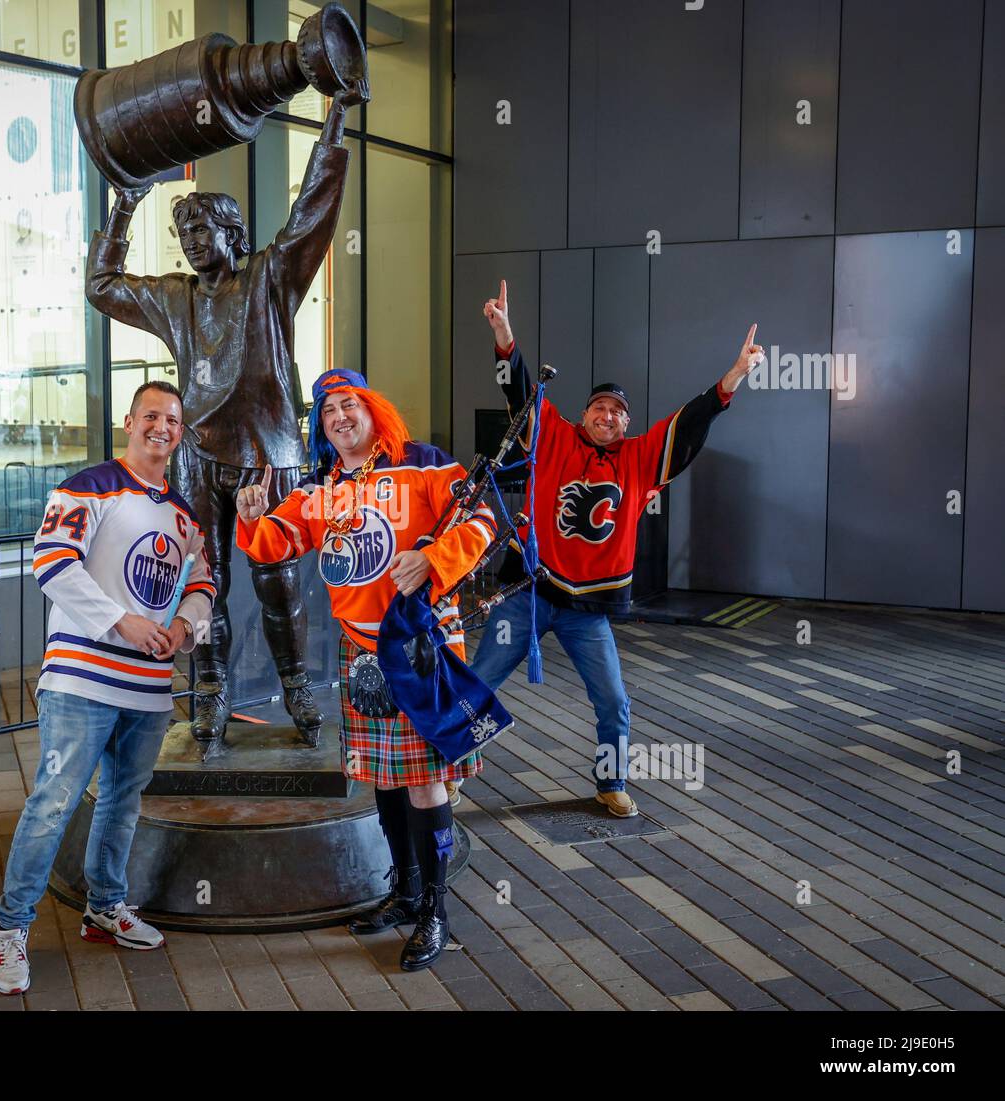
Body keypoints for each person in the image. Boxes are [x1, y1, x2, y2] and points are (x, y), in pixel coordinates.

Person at [83, 86, 367, 754]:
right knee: (202, 585)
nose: (188, 242)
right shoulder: (174, 298)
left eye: (199, 230)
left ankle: (298, 688)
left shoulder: (271, 277)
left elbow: (313, 209)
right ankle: (209, 696)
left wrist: (336, 116)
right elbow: (101, 287)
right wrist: (124, 207)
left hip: (269, 458)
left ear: (233, 234)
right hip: (201, 461)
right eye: (182, 234)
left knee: (278, 585)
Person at [235, 369, 496, 972]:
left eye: (348, 405)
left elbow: (482, 521)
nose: (339, 418)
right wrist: (251, 516)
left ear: (374, 409)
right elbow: (276, 543)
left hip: (422, 643)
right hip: (362, 652)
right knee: (382, 777)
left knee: (425, 783)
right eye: (328, 412)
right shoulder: (322, 488)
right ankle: (403, 892)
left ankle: (436, 908)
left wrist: (433, 559)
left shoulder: (424, 463)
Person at [471, 280, 764, 817]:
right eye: (600, 408)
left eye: (617, 412)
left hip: (589, 606)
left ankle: (611, 780)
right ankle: (448, 772)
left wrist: (733, 378)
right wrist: (504, 333)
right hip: (529, 590)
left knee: (613, 701)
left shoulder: (639, 458)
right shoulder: (553, 436)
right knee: (479, 682)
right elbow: (518, 391)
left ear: (627, 422)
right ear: (585, 413)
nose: (608, 416)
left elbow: (691, 421)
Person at [0, 381, 215, 995]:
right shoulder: (89, 485)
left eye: (172, 419)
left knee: (122, 799)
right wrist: (124, 621)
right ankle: (12, 930)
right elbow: (51, 562)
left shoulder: (185, 515)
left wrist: (182, 630)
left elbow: (203, 586)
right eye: (151, 416)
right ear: (129, 422)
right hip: (82, 678)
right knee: (54, 802)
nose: (161, 427)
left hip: (147, 687)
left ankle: (105, 908)